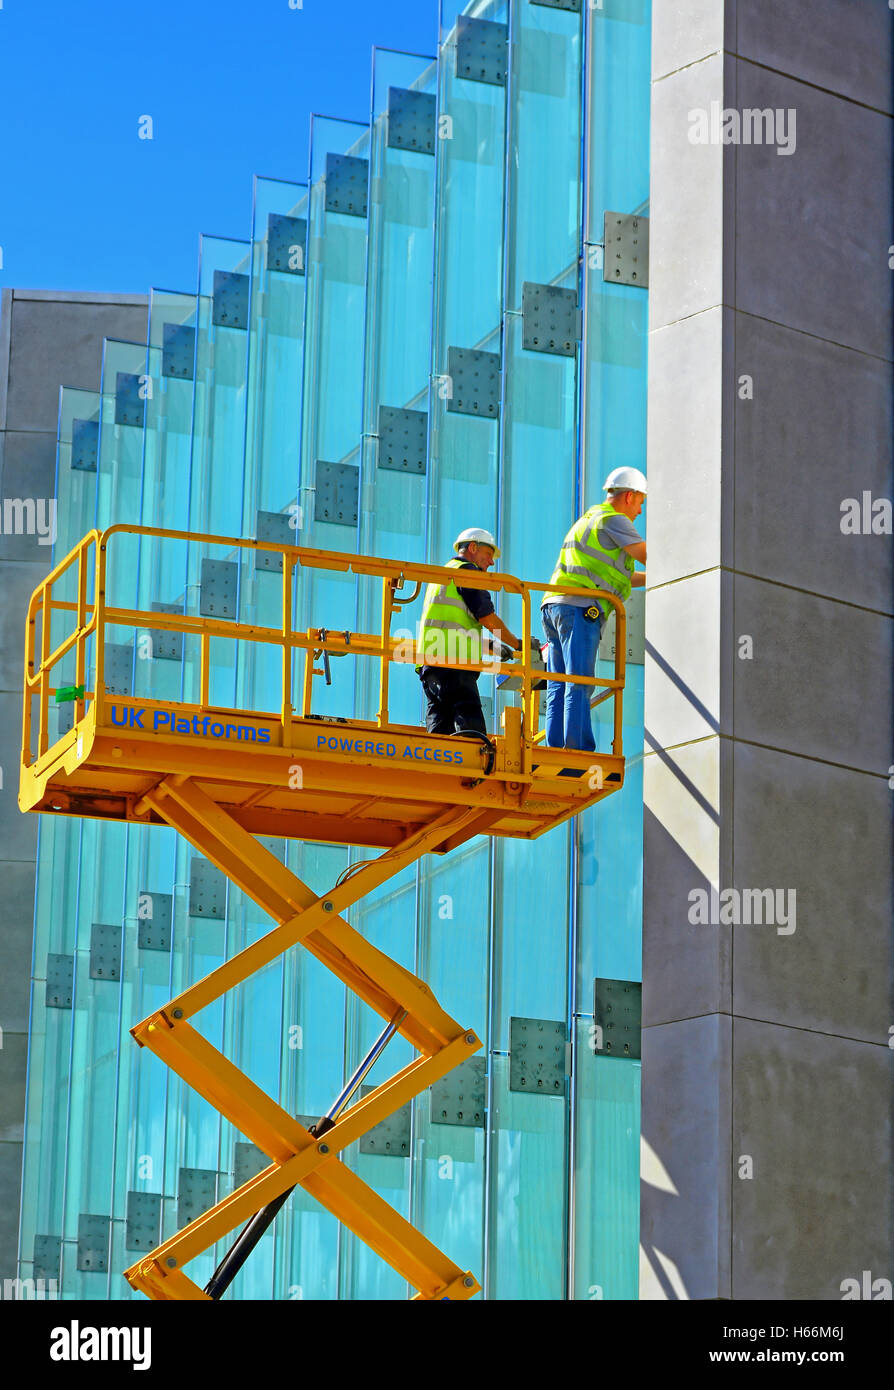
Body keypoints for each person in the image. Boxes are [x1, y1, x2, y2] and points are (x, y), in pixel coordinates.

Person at [541, 468, 647, 751]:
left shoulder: (591, 518)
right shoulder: (614, 519)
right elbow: (648, 555)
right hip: (580, 609)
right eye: (639, 503)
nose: (639, 512)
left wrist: (653, 579)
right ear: (629, 496)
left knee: (559, 683)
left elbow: (619, 576)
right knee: (579, 681)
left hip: (556, 606)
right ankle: (577, 751)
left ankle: (556, 747)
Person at [417, 528, 522, 735]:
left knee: (439, 731)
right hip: (454, 664)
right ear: (473, 548)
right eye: (489, 555)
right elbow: (486, 617)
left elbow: (453, 625)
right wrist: (519, 644)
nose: (491, 562)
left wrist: (491, 645)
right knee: (470, 729)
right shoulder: (467, 571)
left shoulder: (445, 574)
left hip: (432, 664)